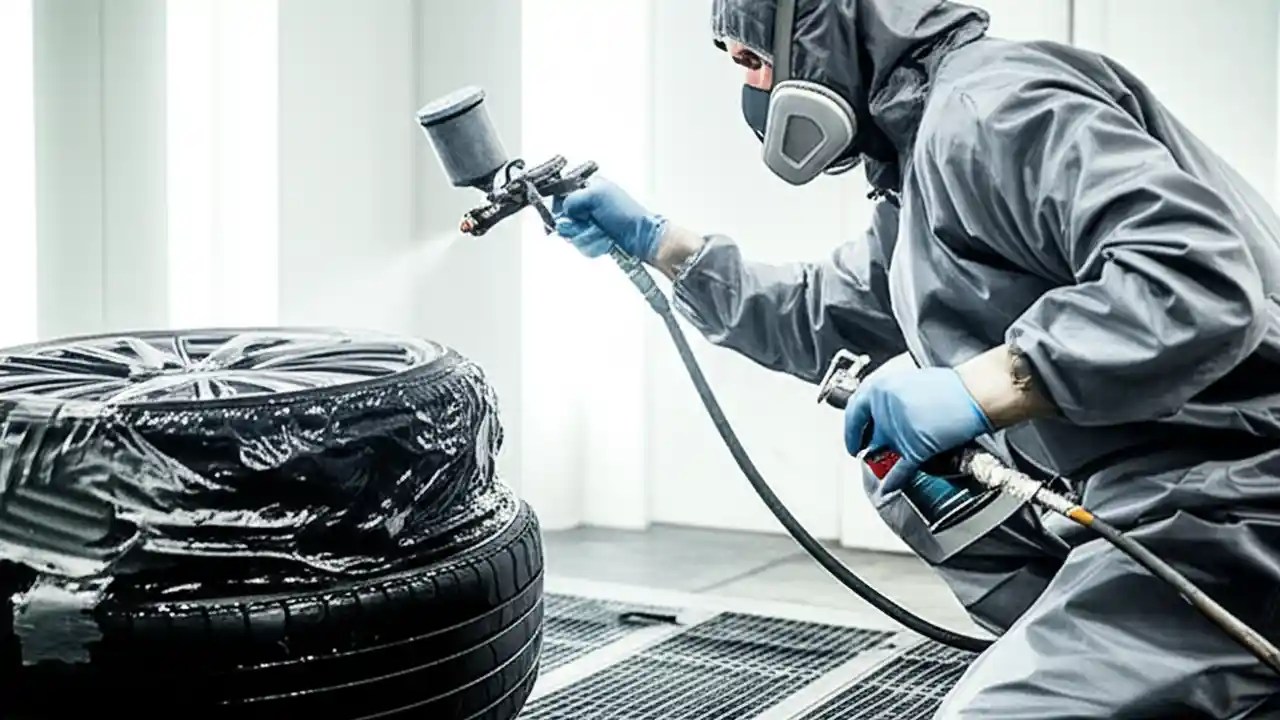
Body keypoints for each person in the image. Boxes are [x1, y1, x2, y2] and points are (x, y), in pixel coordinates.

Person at [552, 0, 1280, 717]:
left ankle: (1142, 653)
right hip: (1154, 484)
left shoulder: (993, 108)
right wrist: (659, 242)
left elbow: (1198, 280)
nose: (752, 96)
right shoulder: (918, 156)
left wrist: (990, 384)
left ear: (820, 34)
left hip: (1233, 499)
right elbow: (822, 314)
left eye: (752, 60)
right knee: (906, 472)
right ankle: (1093, 646)